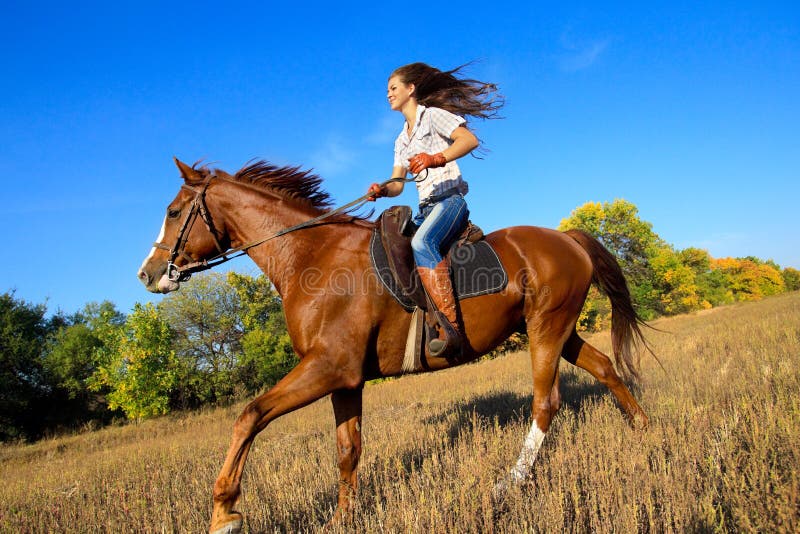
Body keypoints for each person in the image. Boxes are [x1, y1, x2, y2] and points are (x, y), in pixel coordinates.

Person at [367, 62, 503, 359]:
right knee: (397, 249)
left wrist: (436, 158)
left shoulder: (433, 117)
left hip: (449, 202)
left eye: (393, 88)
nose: (388, 94)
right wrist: (381, 190)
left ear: (410, 89)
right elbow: (398, 184)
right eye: (387, 90)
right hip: (425, 209)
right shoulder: (401, 139)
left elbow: (469, 140)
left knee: (421, 242)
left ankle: (450, 328)